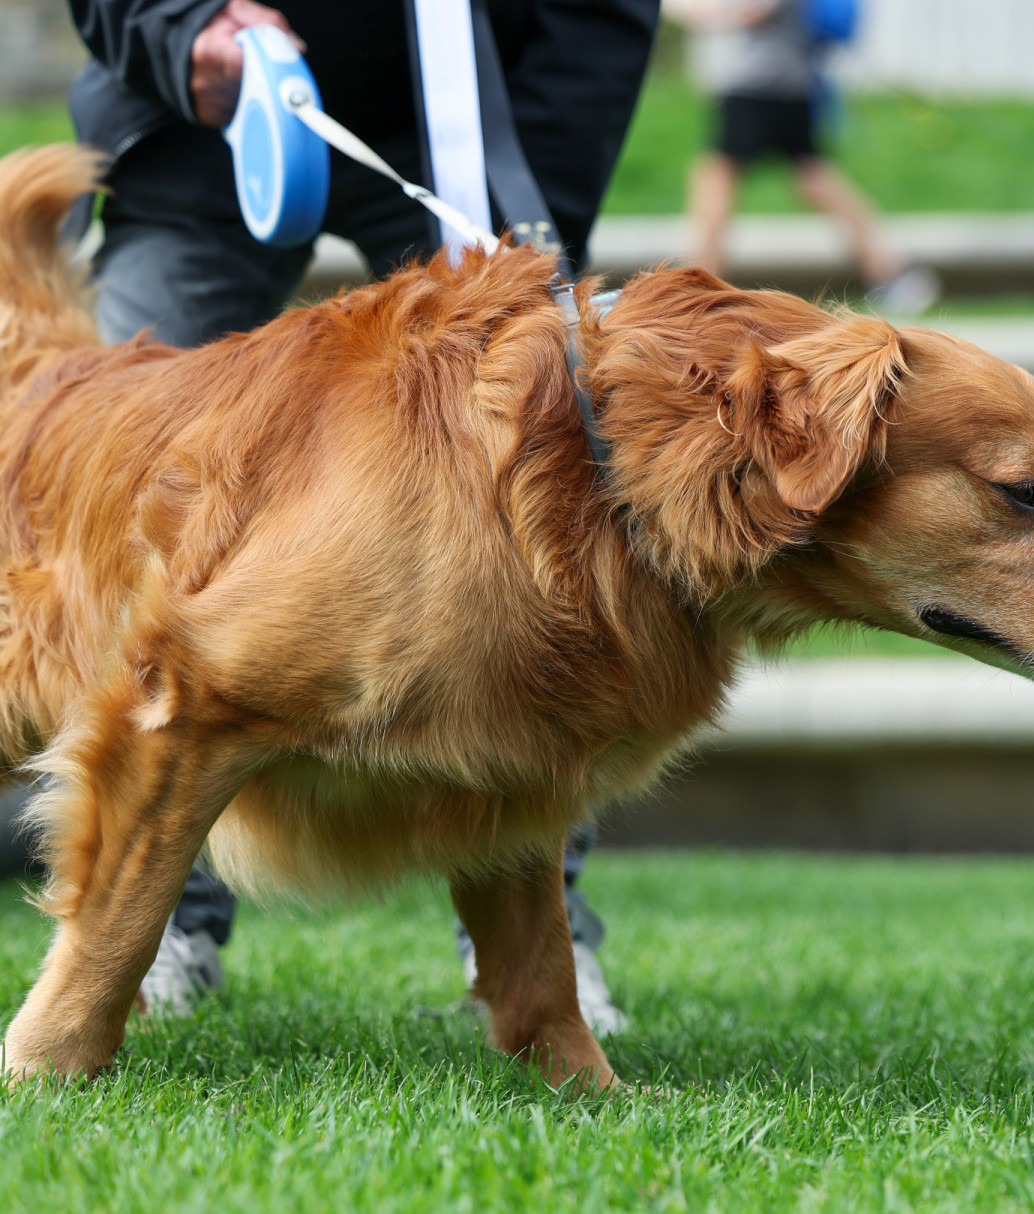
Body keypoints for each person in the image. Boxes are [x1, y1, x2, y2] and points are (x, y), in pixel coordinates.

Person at [58, 0, 661, 1033]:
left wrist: (526, 219)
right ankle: (159, 925)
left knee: (551, 517)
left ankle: (530, 942)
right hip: (209, 115)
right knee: (124, 483)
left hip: (477, 128)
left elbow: (598, 19)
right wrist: (176, 29)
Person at [668, 0, 940, 315]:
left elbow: (736, 12)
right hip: (791, 86)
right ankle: (890, 270)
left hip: (758, 88)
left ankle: (698, 286)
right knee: (814, 180)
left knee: (717, 178)